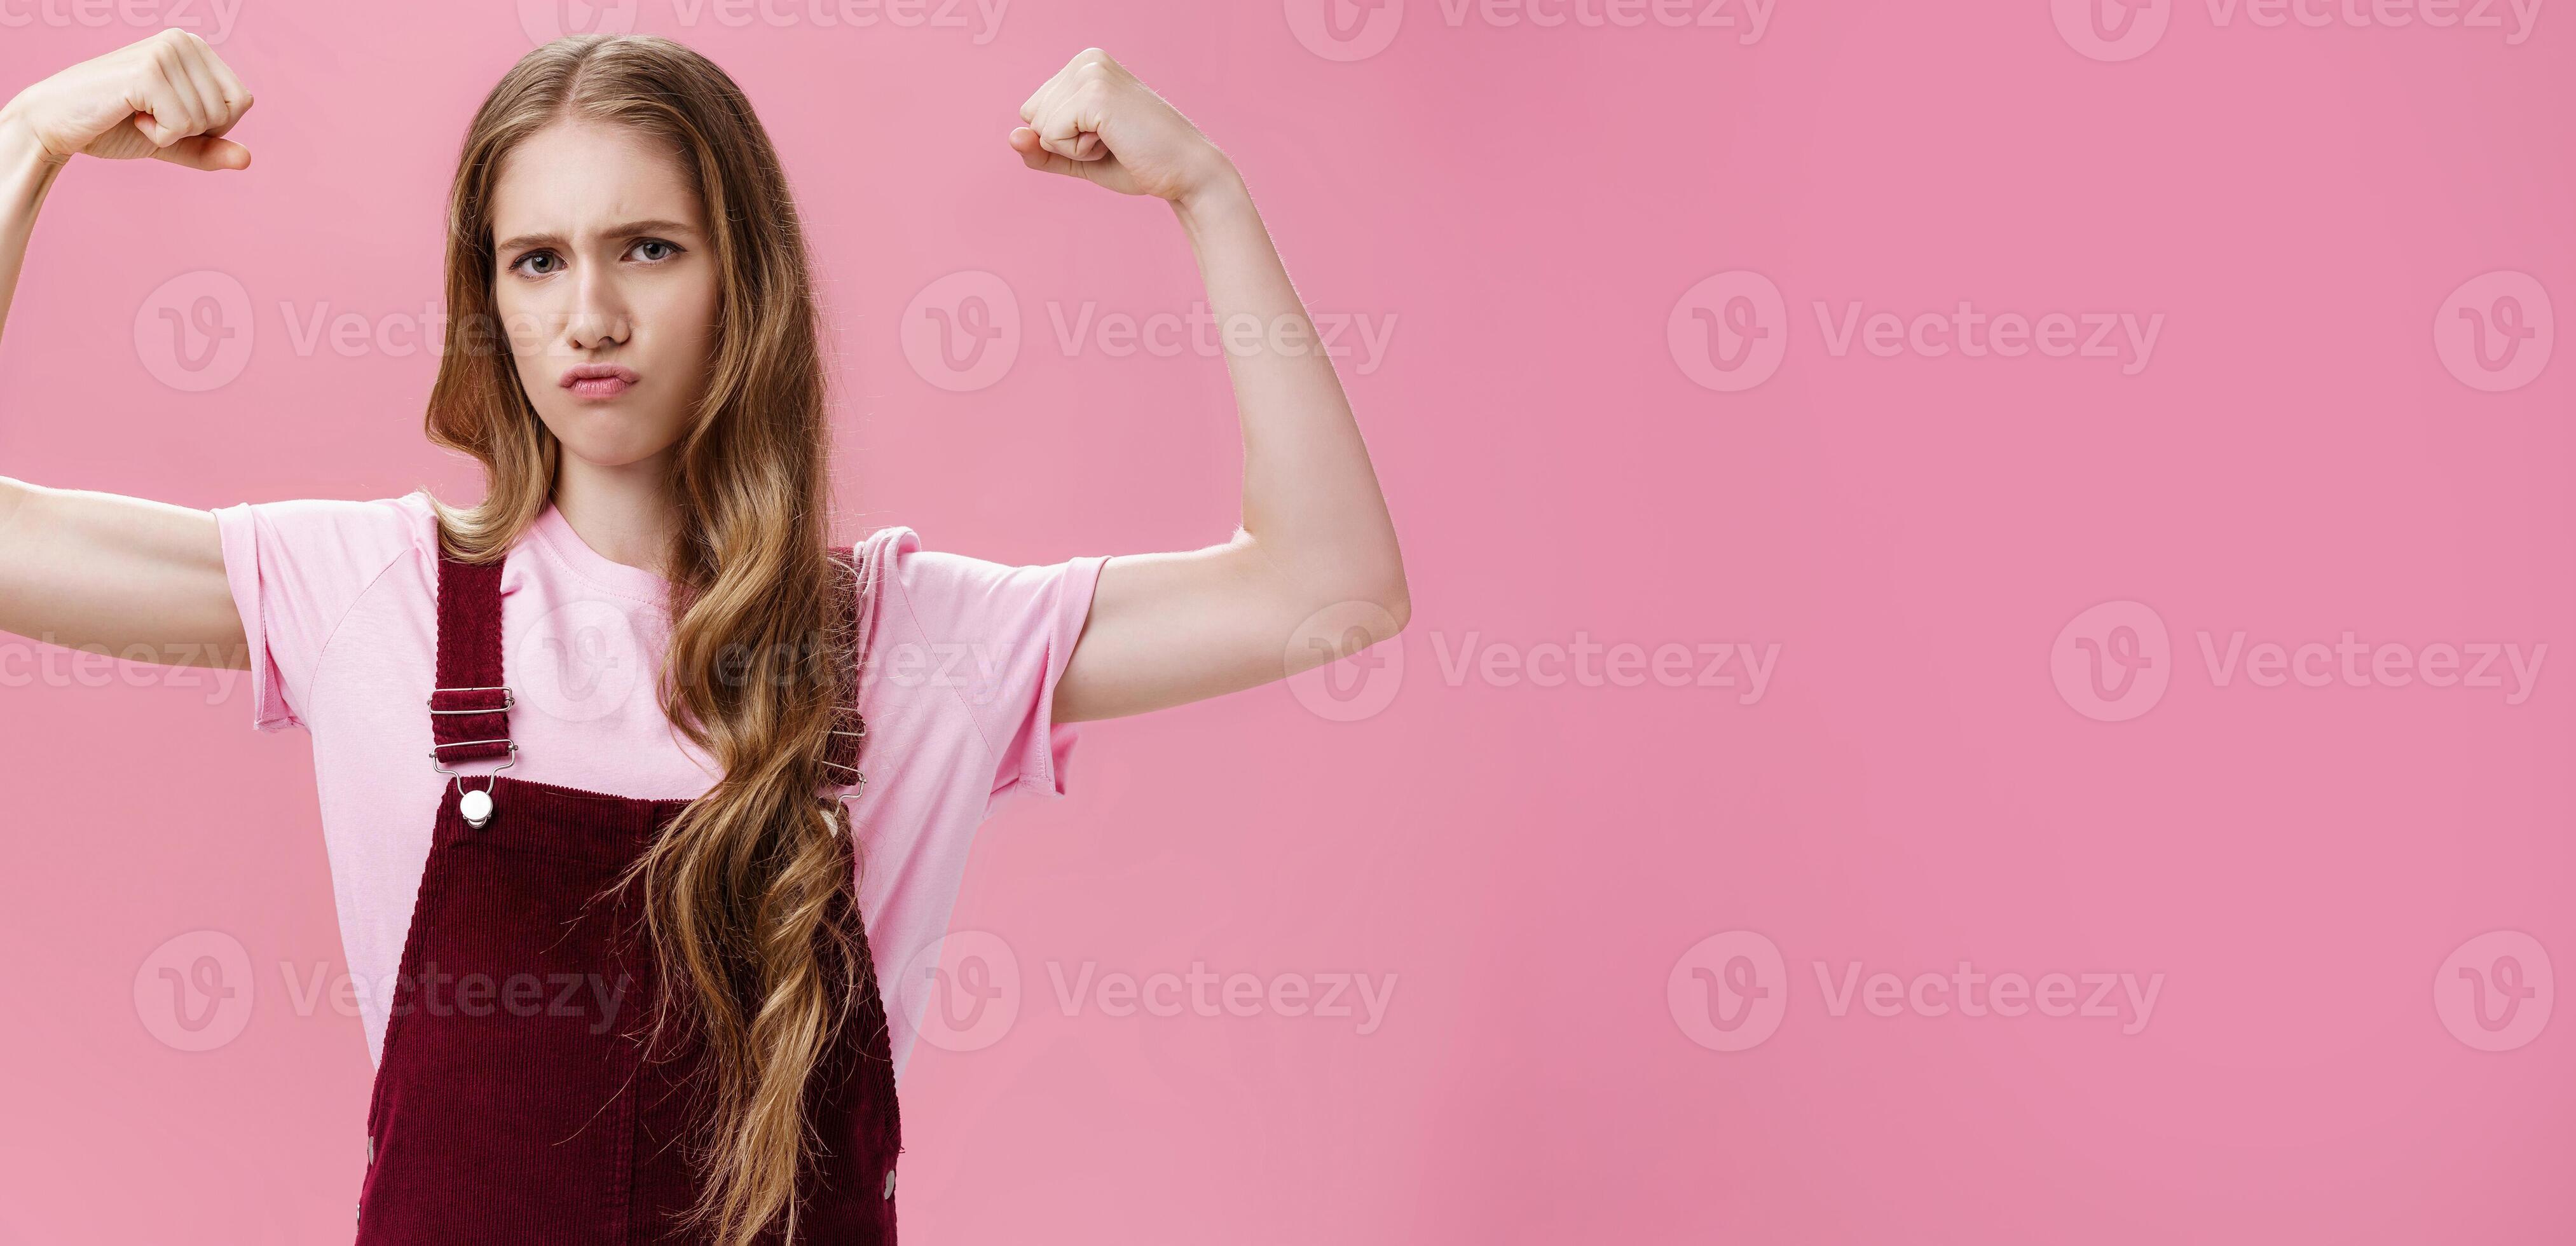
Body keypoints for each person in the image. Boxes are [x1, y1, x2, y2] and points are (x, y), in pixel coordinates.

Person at [0, 29, 1408, 1245]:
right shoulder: (370, 591)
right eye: (535, 261)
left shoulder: (909, 637)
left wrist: (1206, 192)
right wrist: (28, 138)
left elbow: (1326, 583)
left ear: (749, 277)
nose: (589, 317)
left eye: (648, 249)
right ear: (485, 297)